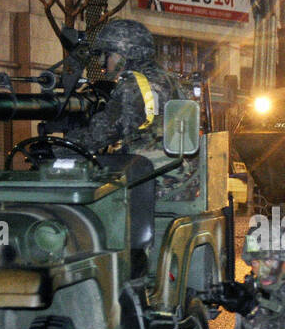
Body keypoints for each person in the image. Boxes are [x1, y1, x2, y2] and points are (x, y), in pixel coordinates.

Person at [67, 18, 198, 198]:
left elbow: (100, 134)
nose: (102, 64)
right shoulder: (170, 80)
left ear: (122, 55)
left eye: (106, 55)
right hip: (182, 181)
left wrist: (61, 146)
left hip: (154, 184)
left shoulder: (134, 86)